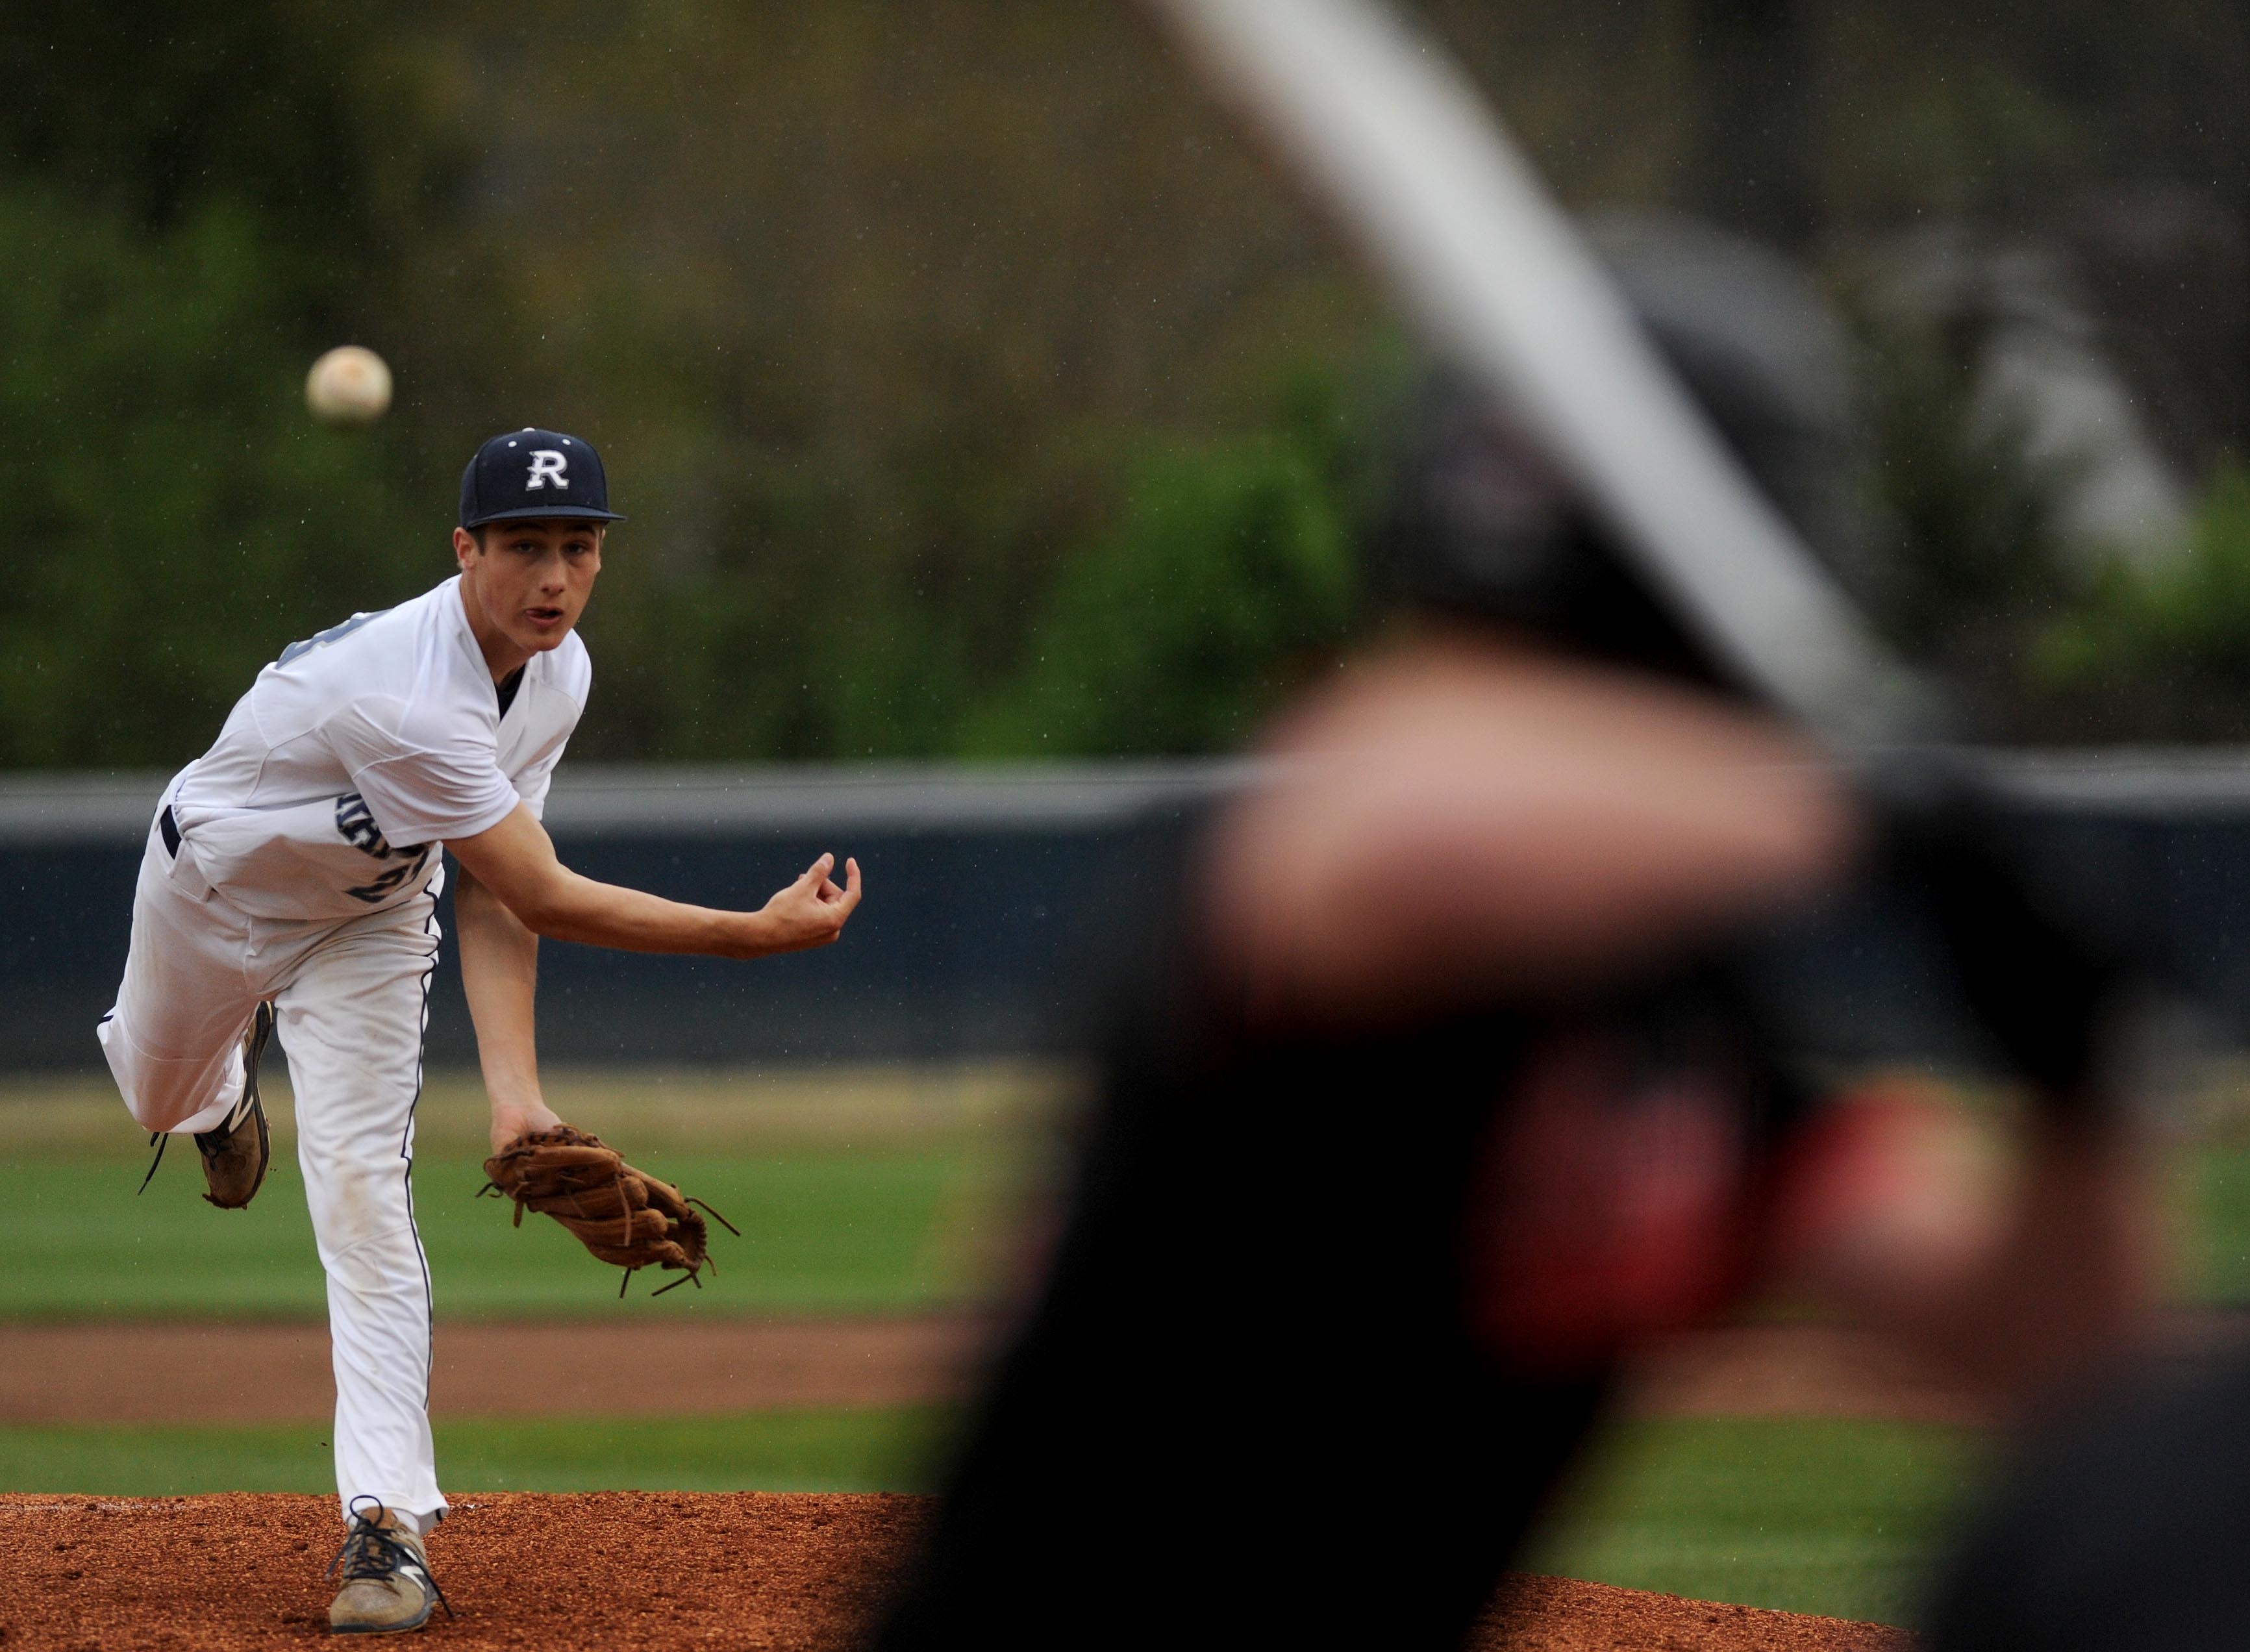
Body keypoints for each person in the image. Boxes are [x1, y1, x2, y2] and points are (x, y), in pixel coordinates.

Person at [864, 218, 2155, 1649]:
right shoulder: (1301, 860)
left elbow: (2045, 1357)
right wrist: (1860, 809)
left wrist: (2077, 1082)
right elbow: (1411, 826)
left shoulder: (1684, 1022)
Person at [99, 427, 862, 1634]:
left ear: (601, 559)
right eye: (521, 546)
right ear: (466, 550)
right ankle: (213, 1100)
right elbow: (551, 893)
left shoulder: (558, 679)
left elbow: (510, 891)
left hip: (370, 923)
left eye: (576, 546)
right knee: (152, 1092)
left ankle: (385, 1529)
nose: (551, 575)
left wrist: (519, 1094)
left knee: (362, 1198)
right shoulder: (411, 695)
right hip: (210, 898)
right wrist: (747, 934)